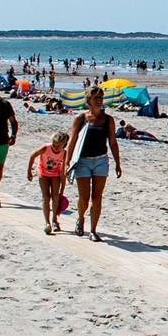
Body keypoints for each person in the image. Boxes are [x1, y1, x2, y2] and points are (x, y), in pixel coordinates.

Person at [66, 87, 121, 241]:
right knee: (84, 198)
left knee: (97, 197)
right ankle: (81, 218)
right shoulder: (80, 118)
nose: (99, 100)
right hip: (82, 161)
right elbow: (72, 141)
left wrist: (117, 162)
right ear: (88, 100)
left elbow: (113, 142)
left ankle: (93, 230)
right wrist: (67, 162)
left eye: (101, 97)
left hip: (101, 160)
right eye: (95, 97)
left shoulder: (108, 120)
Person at [26, 130, 69, 234]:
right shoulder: (46, 147)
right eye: (54, 145)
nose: (55, 147)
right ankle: (47, 222)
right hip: (43, 172)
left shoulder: (64, 153)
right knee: (46, 197)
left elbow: (63, 170)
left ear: (63, 145)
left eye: (58, 146)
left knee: (55, 197)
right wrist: (29, 171)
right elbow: (33, 155)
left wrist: (62, 189)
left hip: (56, 173)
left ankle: (54, 219)